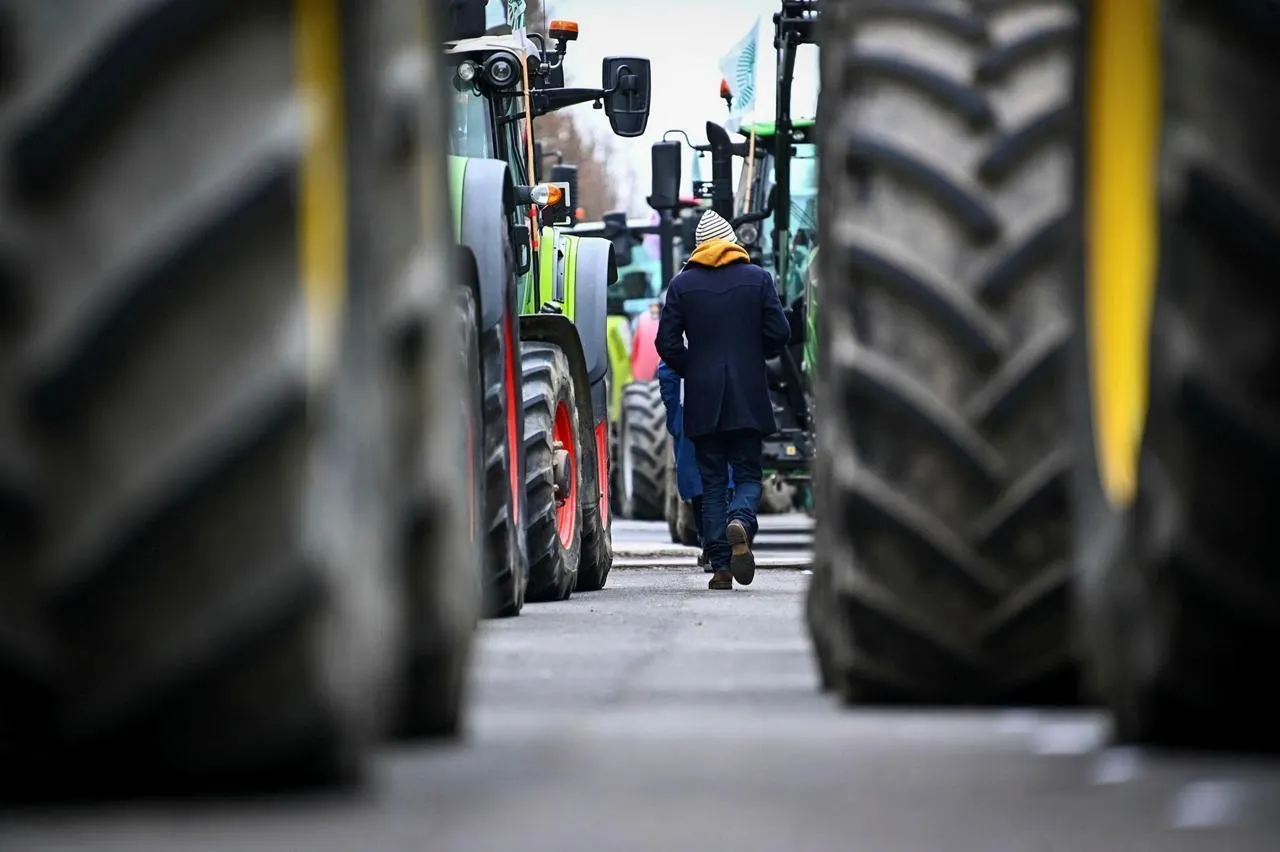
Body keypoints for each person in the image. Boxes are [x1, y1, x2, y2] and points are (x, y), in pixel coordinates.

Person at [656, 209, 790, 590]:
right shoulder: (758, 278)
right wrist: (752, 353)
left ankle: (721, 568)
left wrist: (693, 368)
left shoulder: (682, 285)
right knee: (747, 473)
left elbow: (665, 343)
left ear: (698, 248)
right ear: (733, 243)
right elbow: (779, 332)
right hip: (748, 395)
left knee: (712, 480)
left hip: (704, 397)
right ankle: (741, 520)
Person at [657, 358, 734, 573]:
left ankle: (712, 546)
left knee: (701, 481)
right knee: (728, 477)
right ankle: (727, 539)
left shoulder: (685, 329)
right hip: (731, 407)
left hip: (692, 407)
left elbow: (668, 369)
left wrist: (674, 418)